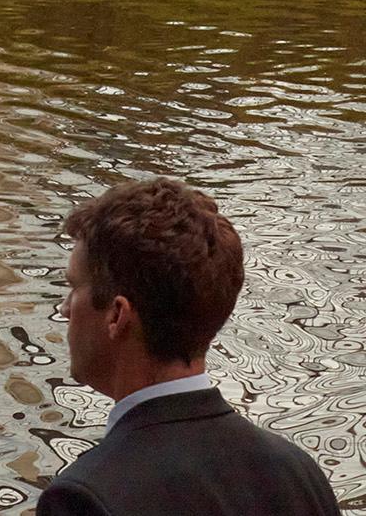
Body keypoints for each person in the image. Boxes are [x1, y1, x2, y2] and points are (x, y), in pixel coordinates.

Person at [37, 179, 337, 516]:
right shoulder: (299, 475)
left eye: (74, 288)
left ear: (117, 315)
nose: (64, 309)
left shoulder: (86, 499)